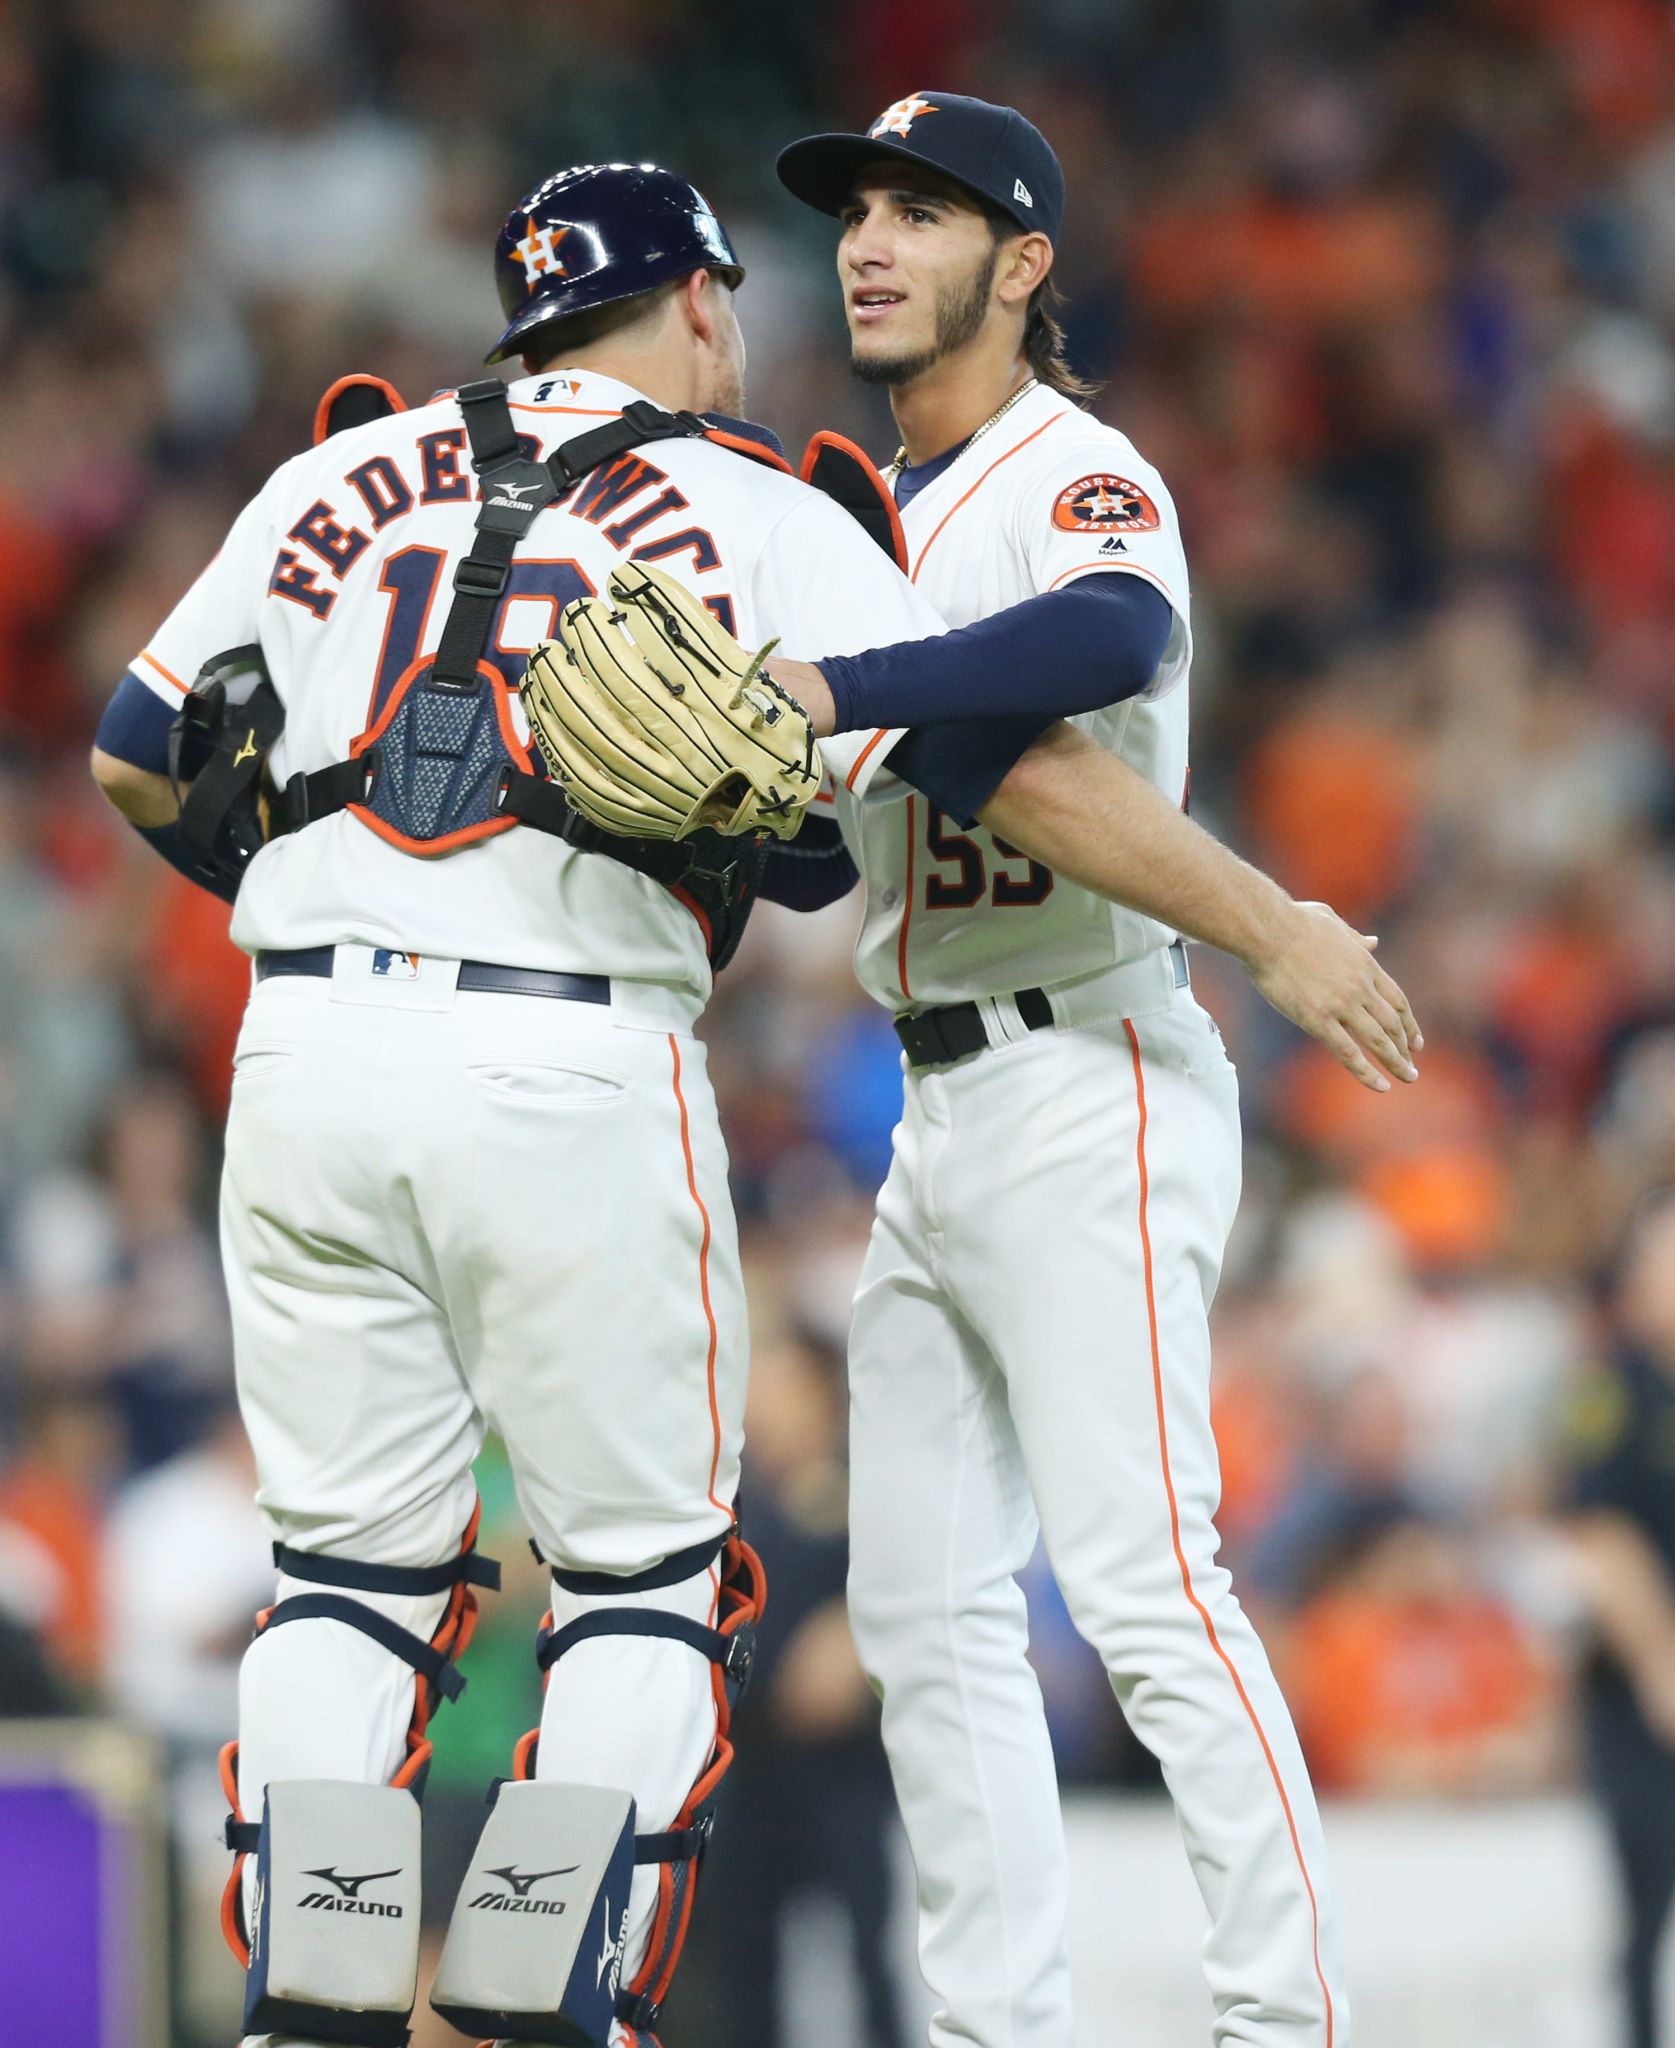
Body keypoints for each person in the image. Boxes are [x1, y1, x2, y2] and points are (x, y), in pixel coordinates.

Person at [88, 155, 1409, 2048]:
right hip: (566, 1055)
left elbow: (139, 753)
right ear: (701, 306)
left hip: (299, 1046)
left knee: (352, 1586)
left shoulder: (324, 479)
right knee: (636, 1578)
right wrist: (1271, 919)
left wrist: (337, 894)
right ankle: (537, 1979)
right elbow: (1002, 766)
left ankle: (326, 1991)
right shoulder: (741, 499)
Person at [757, 92, 1388, 2046]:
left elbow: (1104, 629)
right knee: (922, 1617)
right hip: (936, 1103)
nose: (868, 239)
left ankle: (1280, 2022)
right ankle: (988, 2028)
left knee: (1142, 1586)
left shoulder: (1068, 466)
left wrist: (839, 687)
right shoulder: (863, 520)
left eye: (920, 212)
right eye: (854, 208)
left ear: (1020, 265)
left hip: (1089, 1062)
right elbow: (828, 832)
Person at [1566, 1186, 1675, 2048]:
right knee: (1647, 1905)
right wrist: (1660, 1664)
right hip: (1639, 1710)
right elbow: (1600, 1536)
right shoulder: (1615, 1395)